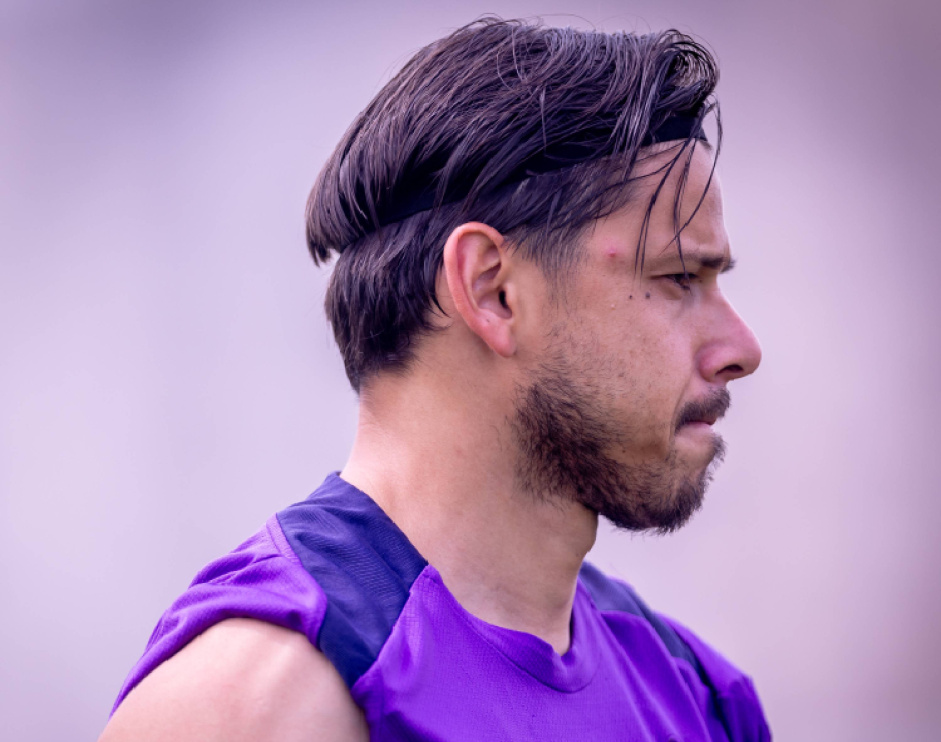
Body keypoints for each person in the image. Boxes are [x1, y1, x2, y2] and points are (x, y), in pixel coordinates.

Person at [100, 17, 770, 742]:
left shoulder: (697, 694)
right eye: (678, 277)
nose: (741, 349)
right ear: (492, 290)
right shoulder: (258, 707)